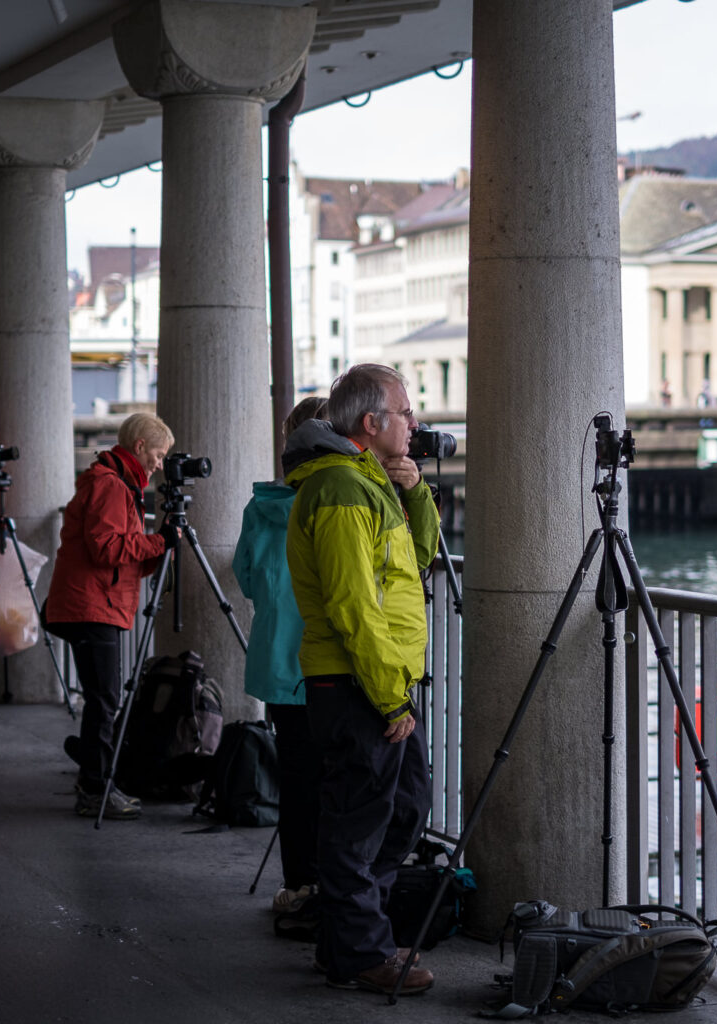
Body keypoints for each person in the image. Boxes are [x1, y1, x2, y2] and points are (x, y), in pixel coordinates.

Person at [284, 364, 438, 996]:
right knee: (359, 819)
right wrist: (387, 695)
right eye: (407, 413)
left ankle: (347, 937)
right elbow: (353, 605)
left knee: (403, 808)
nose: (416, 423)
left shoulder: (368, 483)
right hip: (358, 683)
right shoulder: (341, 489)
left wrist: (416, 490)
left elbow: (419, 558)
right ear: (372, 423)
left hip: (378, 680)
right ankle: (359, 952)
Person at [44, 412, 173, 820]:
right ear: (138, 447)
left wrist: (158, 547)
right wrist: (158, 542)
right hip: (93, 605)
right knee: (105, 699)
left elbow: (123, 556)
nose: (159, 464)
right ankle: (95, 788)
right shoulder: (112, 486)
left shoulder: (114, 482)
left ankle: (94, 776)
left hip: (96, 601)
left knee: (103, 698)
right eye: (157, 454)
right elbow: (106, 549)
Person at [234, 396, 328, 914]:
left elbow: (247, 579)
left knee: (296, 782)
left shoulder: (260, 506)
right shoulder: (338, 501)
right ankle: (342, 888)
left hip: (278, 666)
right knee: (340, 780)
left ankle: (300, 887)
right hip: (332, 665)